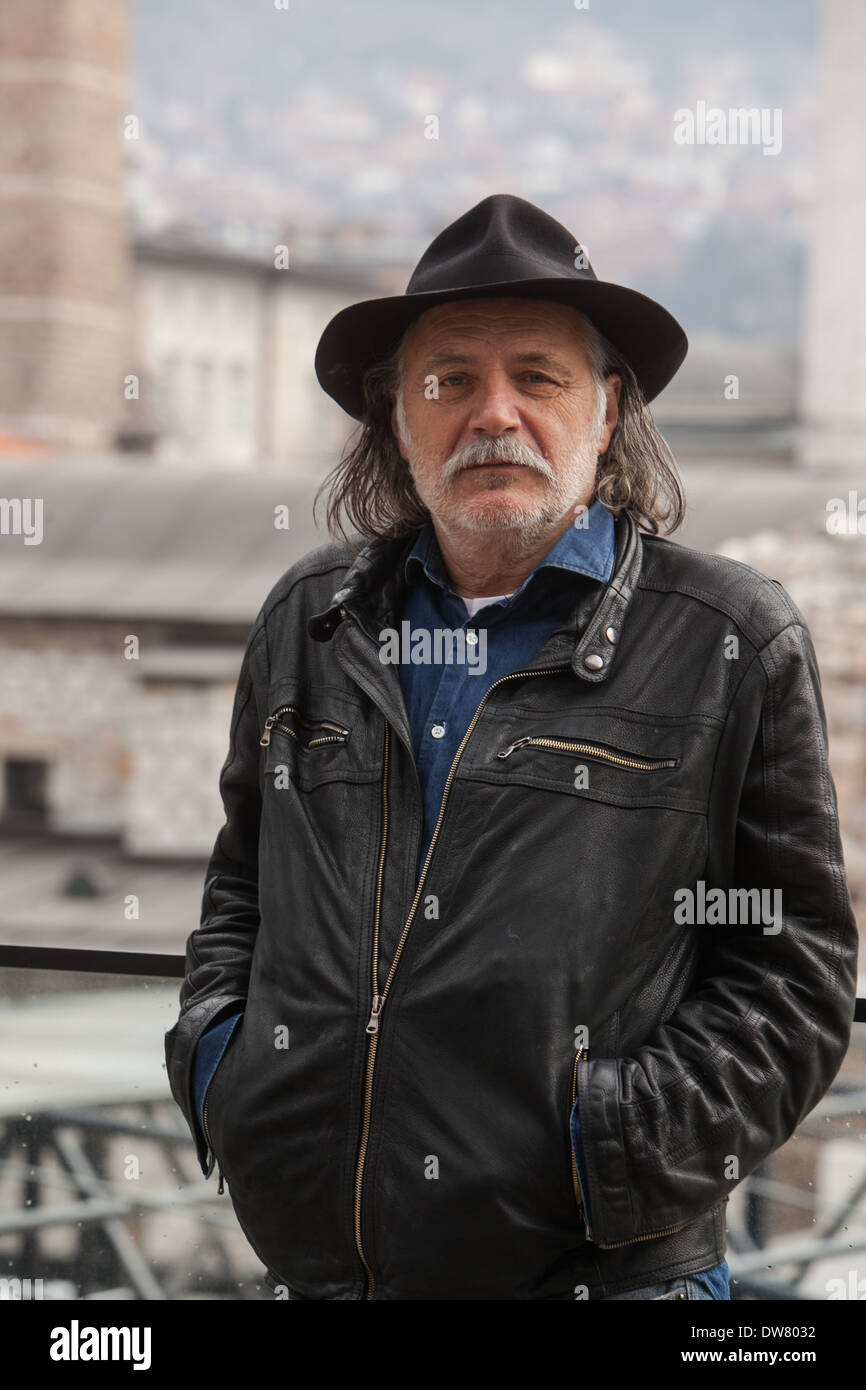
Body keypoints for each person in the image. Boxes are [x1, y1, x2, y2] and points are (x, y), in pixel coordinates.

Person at [165, 194, 858, 1301]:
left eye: (536, 377)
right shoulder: (308, 619)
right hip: (323, 1273)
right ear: (397, 414)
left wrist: (609, 1145)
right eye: (448, 381)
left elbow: (792, 973)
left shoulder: (727, 638)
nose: (493, 414)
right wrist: (226, 1070)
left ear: (606, 406)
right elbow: (243, 886)